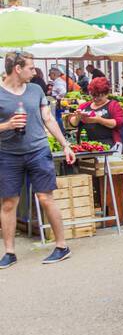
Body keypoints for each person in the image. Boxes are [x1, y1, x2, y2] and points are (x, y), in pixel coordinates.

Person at [1, 52, 77, 266]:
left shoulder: (36, 90)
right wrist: (7, 125)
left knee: (46, 198)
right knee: (8, 203)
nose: (34, 72)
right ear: (17, 68)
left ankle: (62, 246)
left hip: (38, 151)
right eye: (31, 68)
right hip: (8, 154)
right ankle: (9, 252)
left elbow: (48, 118)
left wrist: (65, 144)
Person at [70, 77, 123, 147]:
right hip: (85, 146)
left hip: (108, 146)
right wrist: (77, 118)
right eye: (93, 95)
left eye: (99, 96)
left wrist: (99, 120)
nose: (95, 99)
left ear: (106, 94)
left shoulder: (113, 105)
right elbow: (73, 124)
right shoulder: (84, 106)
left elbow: (117, 123)